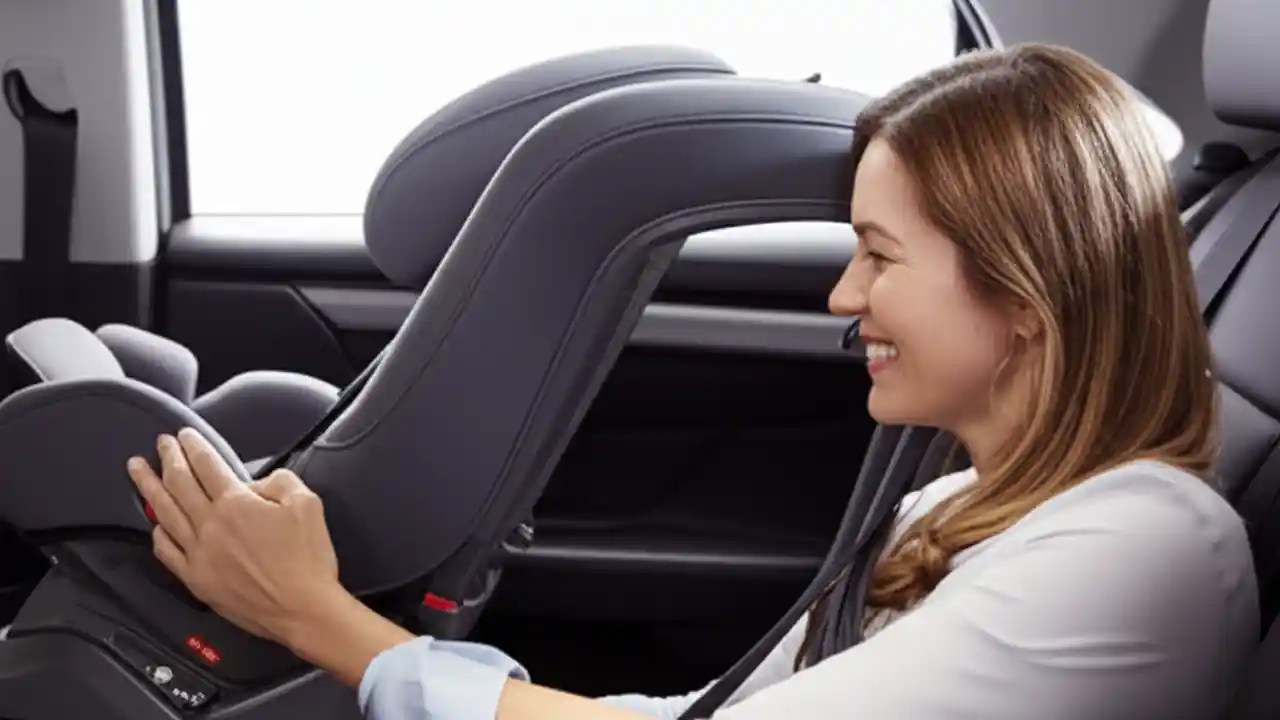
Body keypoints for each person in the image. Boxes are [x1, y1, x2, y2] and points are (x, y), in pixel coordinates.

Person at [127, 42, 1259, 719]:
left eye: (880, 255)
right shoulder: (959, 506)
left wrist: (316, 619)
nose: (844, 295)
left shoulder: (1138, 547)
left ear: (1025, 291)